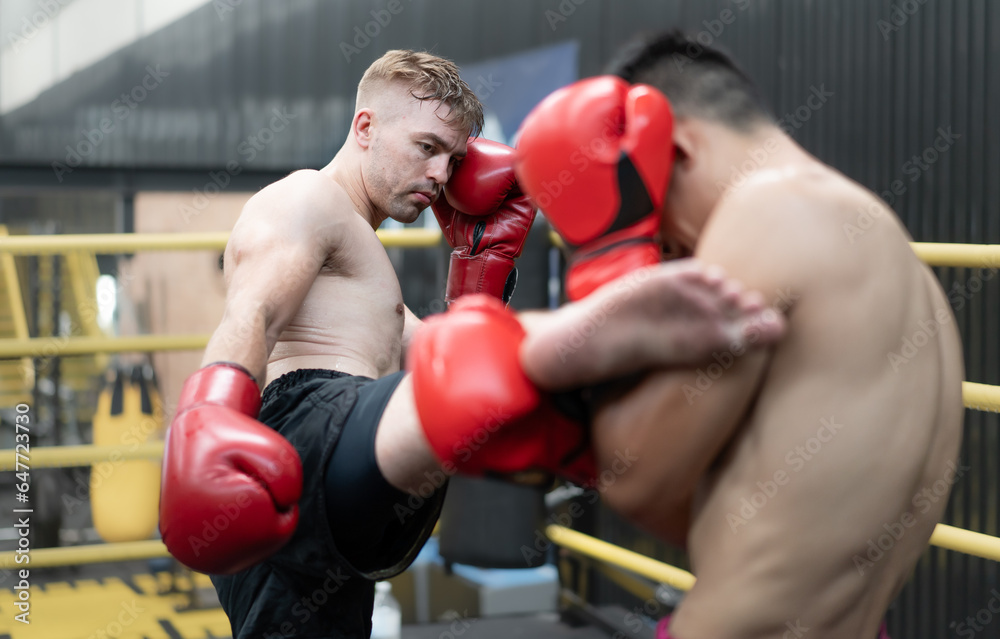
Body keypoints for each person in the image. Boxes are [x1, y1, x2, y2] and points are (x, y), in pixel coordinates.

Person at [158, 49, 784, 639]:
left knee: (482, 385)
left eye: (454, 159)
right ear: (366, 126)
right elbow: (256, 311)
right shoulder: (307, 197)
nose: (440, 174)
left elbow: (441, 358)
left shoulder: (361, 256)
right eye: (426, 147)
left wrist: (478, 278)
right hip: (306, 431)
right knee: (482, 369)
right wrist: (209, 411)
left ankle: (591, 386)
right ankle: (610, 311)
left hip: (348, 483)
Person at [513, 32, 965, 639]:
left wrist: (610, 255)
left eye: (657, 228)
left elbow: (637, 477)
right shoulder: (901, 262)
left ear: (671, 152)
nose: (667, 254)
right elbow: (744, 510)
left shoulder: (766, 210)